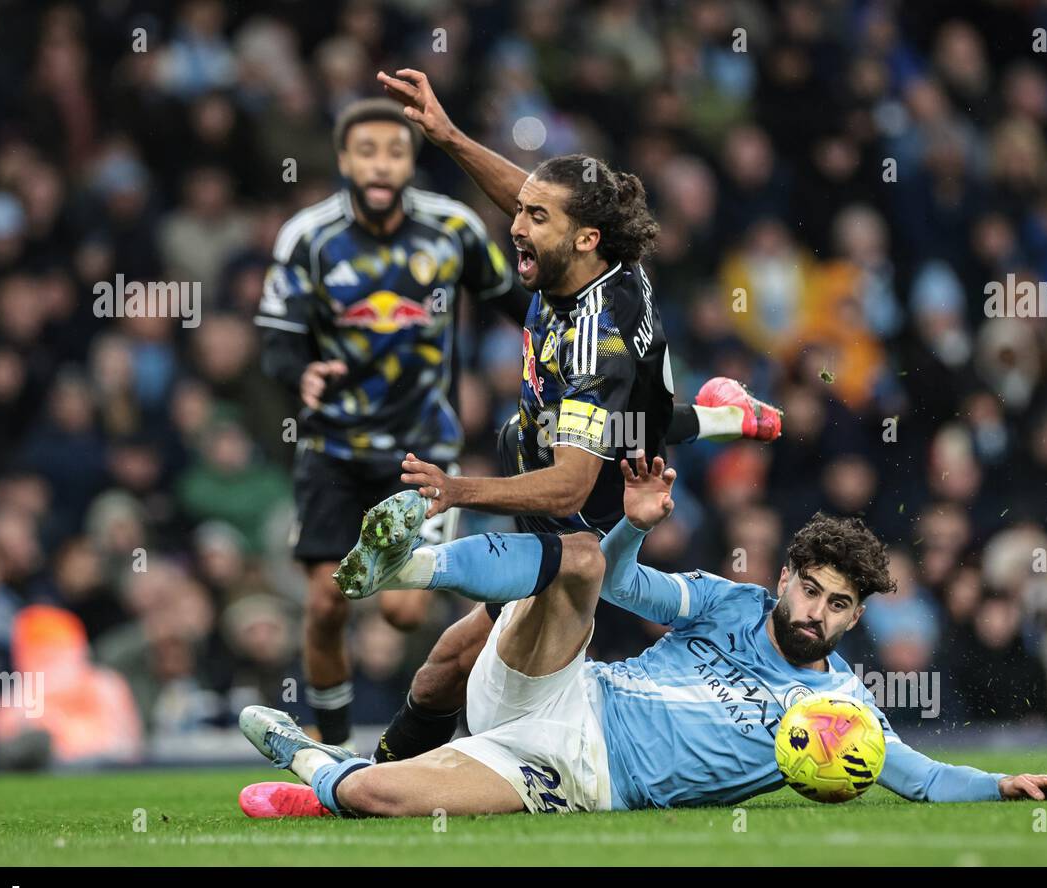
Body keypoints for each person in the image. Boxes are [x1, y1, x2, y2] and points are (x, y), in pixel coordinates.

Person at [334, 68, 782, 761]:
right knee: (448, 666)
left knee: (500, 636)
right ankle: (723, 415)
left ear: (585, 239)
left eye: (534, 219)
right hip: (602, 430)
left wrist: (455, 491)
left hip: (587, 512)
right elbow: (529, 195)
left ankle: (376, 764)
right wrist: (449, 136)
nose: (515, 225)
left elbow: (571, 487)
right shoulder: (577, 253)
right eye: (523, 211)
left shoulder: (595, 345)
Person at [238, 458, 1047, 818]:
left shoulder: (843, 713)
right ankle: (412, 566)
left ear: (855, 618)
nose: (815, 615)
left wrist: (1003, 784)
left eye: (838, 607)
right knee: (568, 565)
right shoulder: (729, 600)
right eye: (810, 591)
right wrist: (636, 525)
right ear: (787, 575)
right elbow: (614, 582)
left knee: (375, 802)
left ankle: (309, 760)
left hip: (584, 773)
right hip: (567, 692)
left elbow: (922, 777)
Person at [256, 97, 530, 746]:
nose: (382, 163)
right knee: (326, 605)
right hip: (333, 449)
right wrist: (301, 373)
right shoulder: (308, 237)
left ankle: (420, 730)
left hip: (423, 449)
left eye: (396, 150)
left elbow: (517, 304)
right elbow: (275, 337)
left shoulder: (454, 230)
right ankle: (330, 749)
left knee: (406, 611)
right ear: (345, 159)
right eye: (368, 151)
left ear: (412, 161)